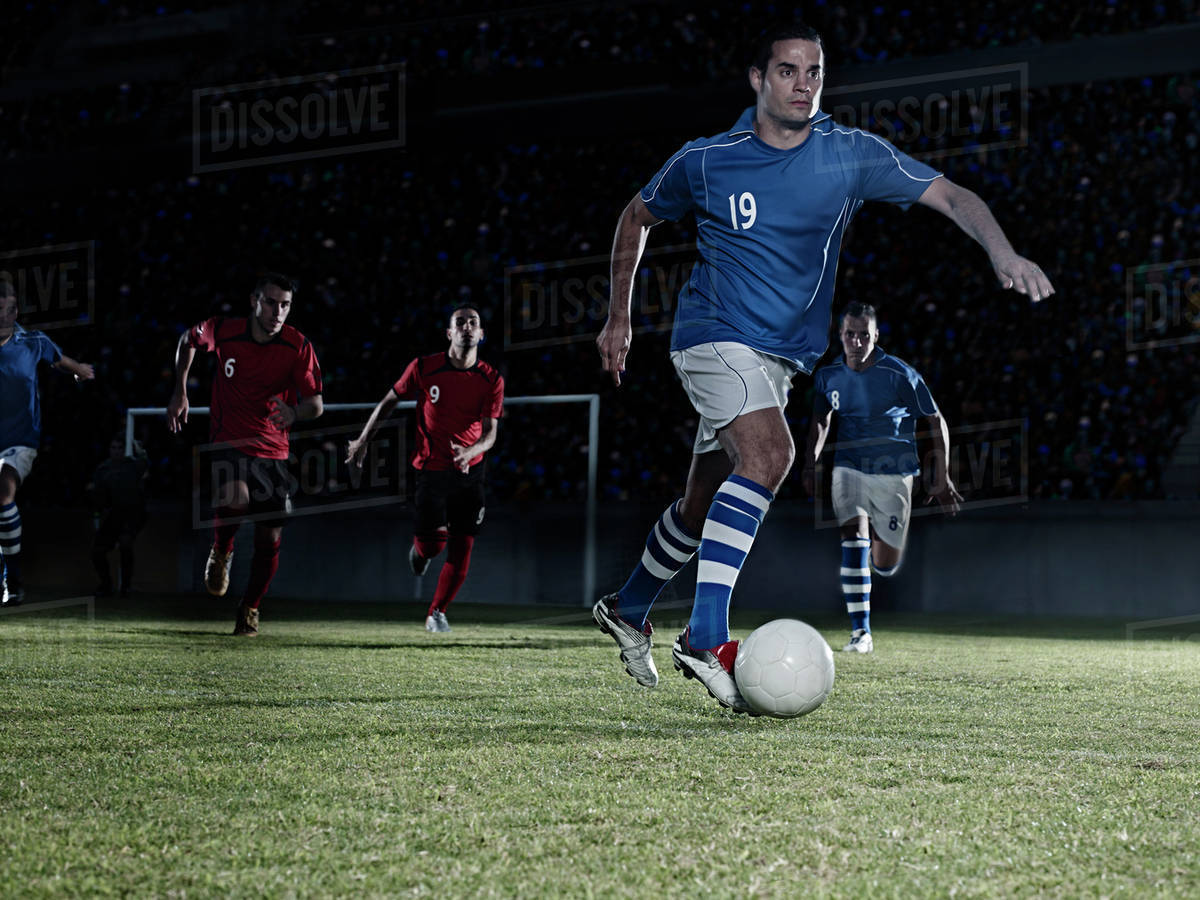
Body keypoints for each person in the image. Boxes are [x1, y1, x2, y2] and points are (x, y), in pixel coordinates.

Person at [593, 23, 1054, 713]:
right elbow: (635, 218)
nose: (803, 83)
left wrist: (1003, 252)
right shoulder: (708, 160)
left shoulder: (850, 155)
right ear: (758, 79)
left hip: (778, 364)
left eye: (814, 71)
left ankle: (628, 607)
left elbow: (954, 195)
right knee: (771, 454)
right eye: (787, 70)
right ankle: (706, 636)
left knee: (699, 506)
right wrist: (618, 317)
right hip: (711, 338)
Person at [167, 273, 324, 636]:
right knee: (234, 496)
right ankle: (222, 549)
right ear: (254, 300)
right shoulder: (223, 330)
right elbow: (187, 340)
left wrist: (293, 413)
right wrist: (180, 391)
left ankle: (250, 608)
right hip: (229, 440)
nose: (277, 311)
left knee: (270, 539)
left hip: (274, 451)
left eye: (285, 305)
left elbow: (316, 404)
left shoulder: (297, 345)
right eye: (271, 302)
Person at [802, 302, 961, 653]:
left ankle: (879, 554)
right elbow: (821, 418)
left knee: (884, 565)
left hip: (895, 475)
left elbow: (936, 420)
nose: (856, 342)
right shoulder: (829, 376)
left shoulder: (900, 374)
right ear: (840, 336)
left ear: (875, 336)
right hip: (849, 467)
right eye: (849, 335)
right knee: (852, 536)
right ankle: (862, 634)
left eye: (863, 335)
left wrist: (941, 474)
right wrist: (809, 463)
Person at [346, 306, 503, 632]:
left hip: (469, 472)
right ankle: (420, 553)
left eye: (473, 322)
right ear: (449, 333)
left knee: (462, 547)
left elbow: (491, 434)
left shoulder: (491, 379)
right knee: (433, 546)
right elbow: (389, 400)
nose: (467, 327)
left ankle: (436, 612)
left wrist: (470, 451)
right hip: (430, 470)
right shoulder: (424, 367)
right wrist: (363, 440)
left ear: (481, 334)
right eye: (460, 322)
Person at [0, 280, 95, 606]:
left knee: (4, 491)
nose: (4, 315)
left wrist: (80, 370)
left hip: (20, 440)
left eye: (9, 309)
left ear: (15, 311)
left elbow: (58, 359)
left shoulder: (32, 341)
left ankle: (13, 579)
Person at [88, 433, 150, 597]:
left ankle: (126, 587)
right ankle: (106, 585)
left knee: (125, 543)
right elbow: (98, 498)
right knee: (97, 550)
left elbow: (145, 463)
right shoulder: (103, 469)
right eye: (113, 448)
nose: (116, 451)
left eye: (119, 448)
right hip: (112, 515)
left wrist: (140, 451)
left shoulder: (132, 465)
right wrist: (96, 518)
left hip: (132, 514)